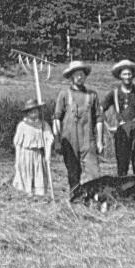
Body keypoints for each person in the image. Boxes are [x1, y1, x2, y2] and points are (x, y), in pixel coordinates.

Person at [52, 60, 104, 193]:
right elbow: (57, 118)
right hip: (69, 140)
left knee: (94, 172)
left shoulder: (92, 95)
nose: (80, 77)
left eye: (82, 74)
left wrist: (99, 141)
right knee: (73, 172)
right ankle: (75, 198)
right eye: (77, 74)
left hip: (88, 140)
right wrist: (57, 141)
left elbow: (99, 119)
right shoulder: (64, 94)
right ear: (71, 77)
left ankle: (95, 198)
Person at [12, 98, 54, 196]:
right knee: (27, 174)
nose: (34, 114)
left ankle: (39, 195)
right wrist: (17, 160)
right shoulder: (22, 126)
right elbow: (18, 144)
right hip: (25, 155)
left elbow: (49, 140)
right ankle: (28, 194)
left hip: (39, 155)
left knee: (39, 174)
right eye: (31, 112)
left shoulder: (44, 125)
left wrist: (48, 154)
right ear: (27, 113)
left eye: (35, 111)